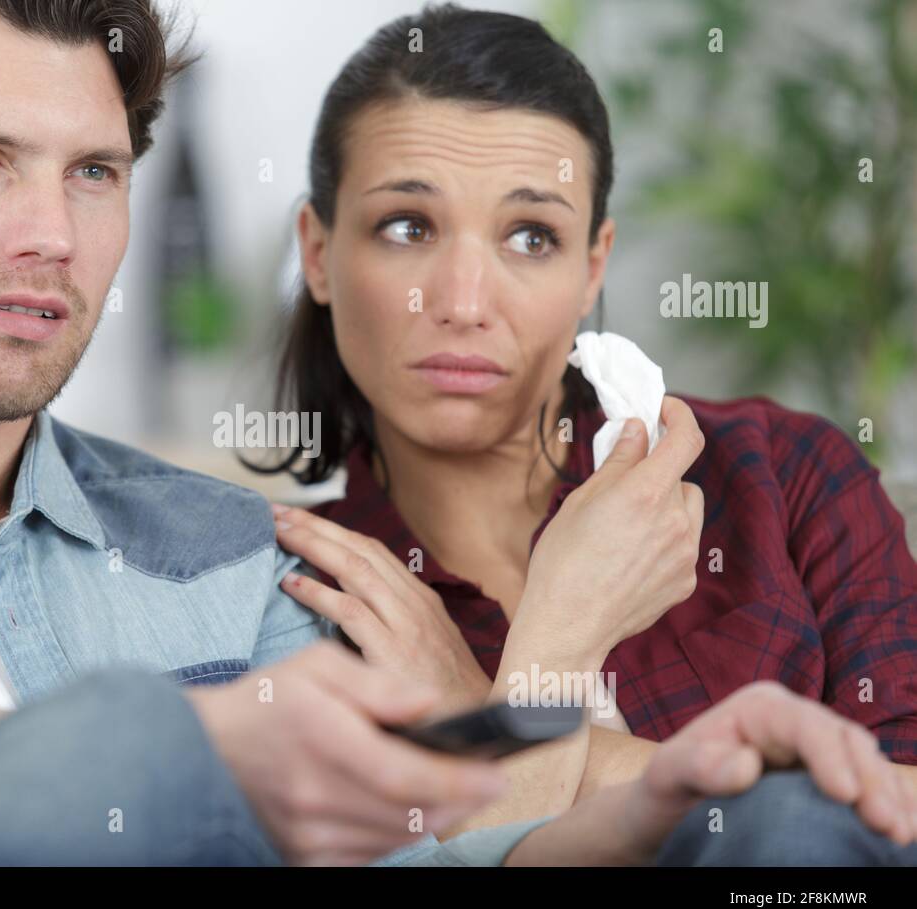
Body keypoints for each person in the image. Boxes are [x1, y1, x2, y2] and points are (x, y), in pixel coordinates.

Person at [0, 0, 911, 869]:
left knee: (780, 823)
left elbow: (427, 852)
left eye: (93, 172)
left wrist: (666, 803)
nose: (53, 238)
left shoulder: (226, 552)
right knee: (132, 740)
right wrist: (162, 754)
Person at [258, 3, 917, 830]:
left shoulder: (785, 476)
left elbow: (895, 821)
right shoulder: (293, 598)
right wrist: (557, 654)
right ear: (318, 253)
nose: (463, 303)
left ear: (592, 266)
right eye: (407, 226)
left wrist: (480, 713)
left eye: (531, 236)